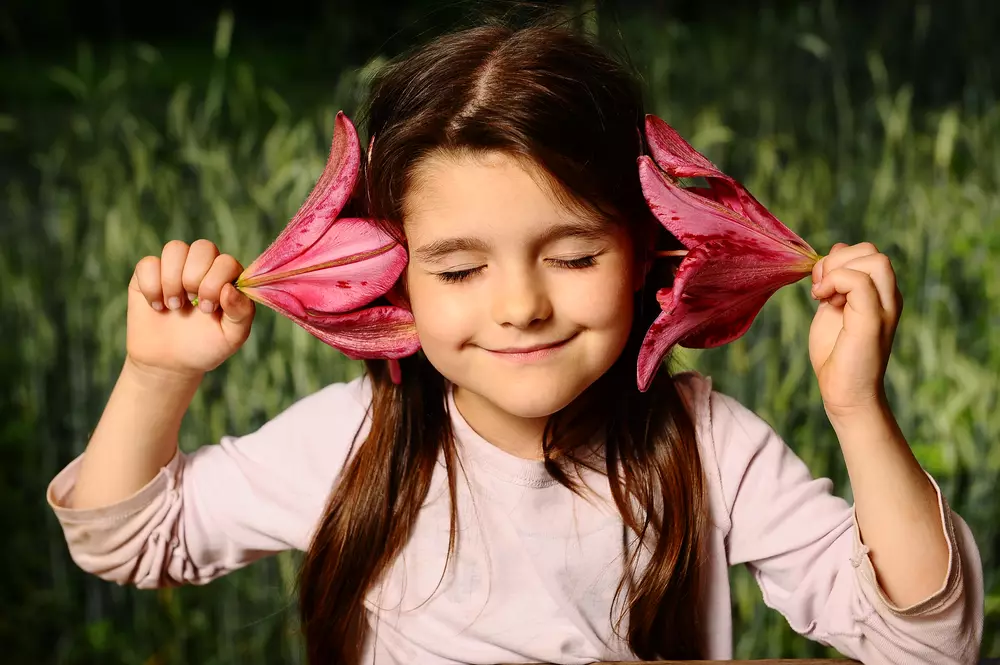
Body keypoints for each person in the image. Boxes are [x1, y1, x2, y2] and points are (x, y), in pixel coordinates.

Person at [46, 21, 983, 665]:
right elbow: (128, 539)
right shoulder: (352, 441)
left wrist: (858, 408)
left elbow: (926, 643)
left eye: (573, 254)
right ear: (390, 276)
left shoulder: (708, 447)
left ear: (650, 249)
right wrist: (156, 374)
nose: (522, 306)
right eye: (459, 271)